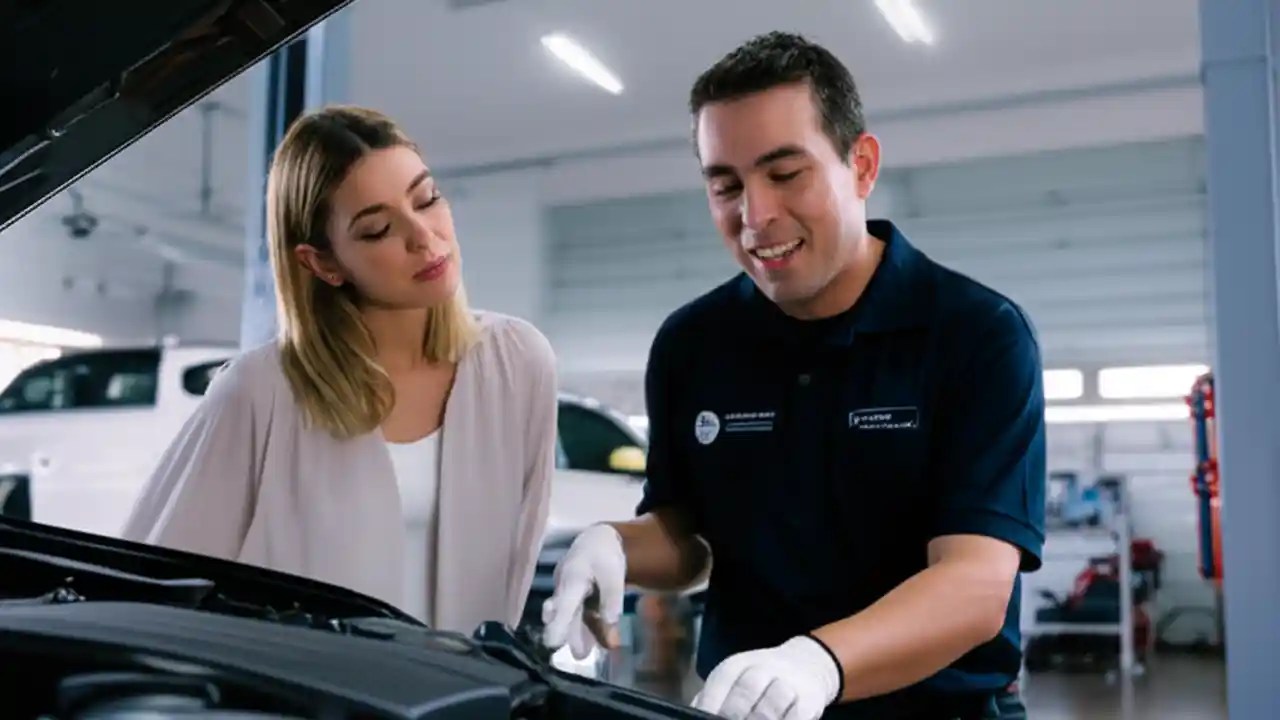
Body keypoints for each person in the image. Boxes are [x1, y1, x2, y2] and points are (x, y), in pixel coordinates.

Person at [542, 32, 1045, 720]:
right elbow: (689, 544)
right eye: (726, 185)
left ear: (861, 166)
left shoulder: (974, 334)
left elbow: (975, 585)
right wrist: (609, 545)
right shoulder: (694, 343)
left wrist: (818, 663)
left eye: (785, 174)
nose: (755, 215)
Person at [122, 105, 559, 635]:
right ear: (323, 264)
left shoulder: (518, 363)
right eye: (377, 229)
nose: (425, 237)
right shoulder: (261, 392)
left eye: (427, 199)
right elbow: (155, 589)